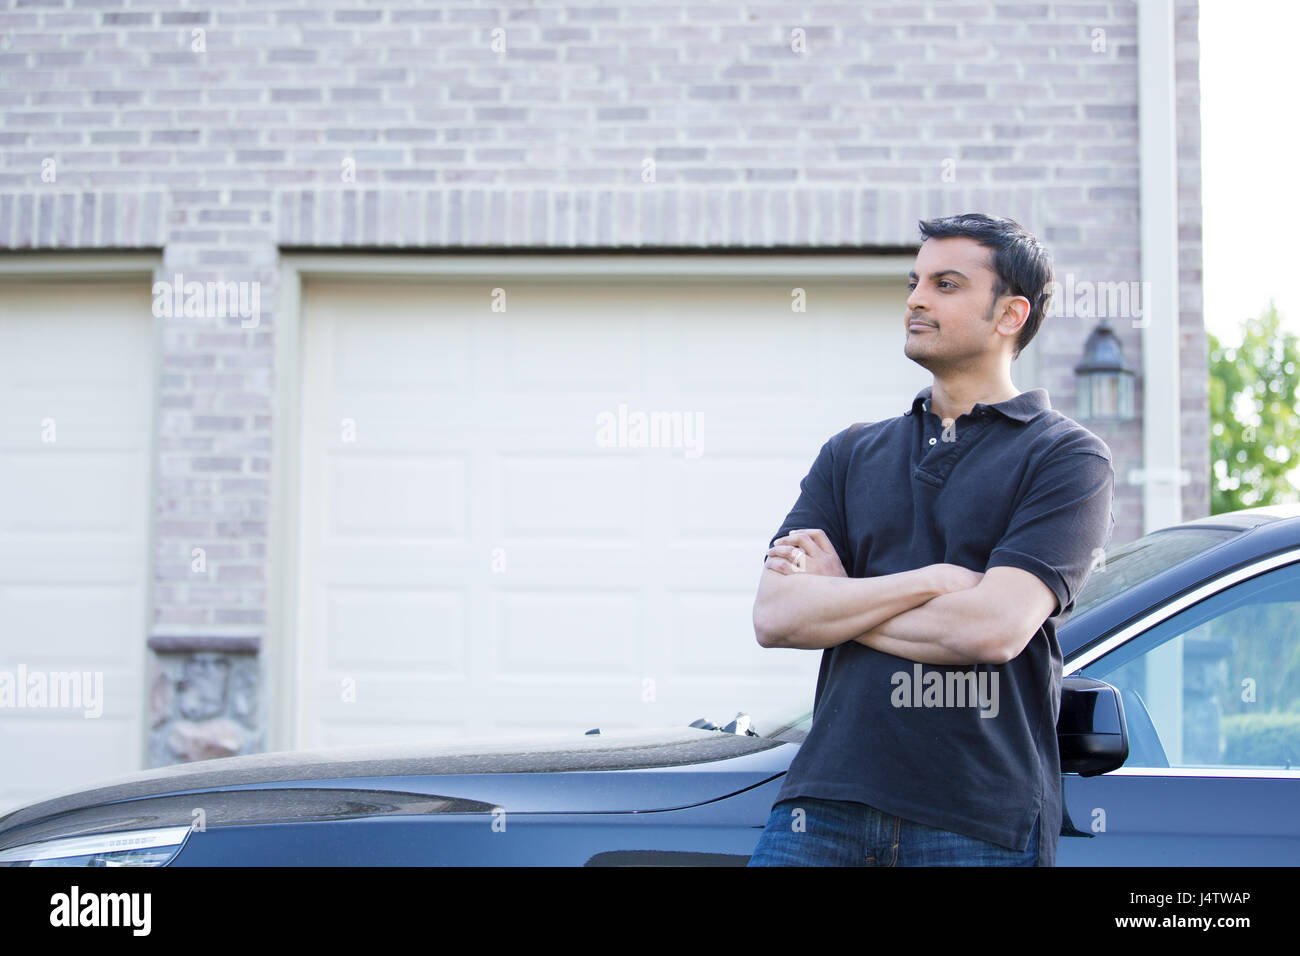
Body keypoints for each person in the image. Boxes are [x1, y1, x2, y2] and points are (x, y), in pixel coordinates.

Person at [747, 213, 1115, 867]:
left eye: (946, 284)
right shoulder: (851, 452)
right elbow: (776, 616)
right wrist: (935, 581)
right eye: (915, 282)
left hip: (976, 819)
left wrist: (838, 600)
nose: (916, 299)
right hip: (821, 805)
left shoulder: (1065, 458)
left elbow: (990, 631)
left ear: (1010, 315)